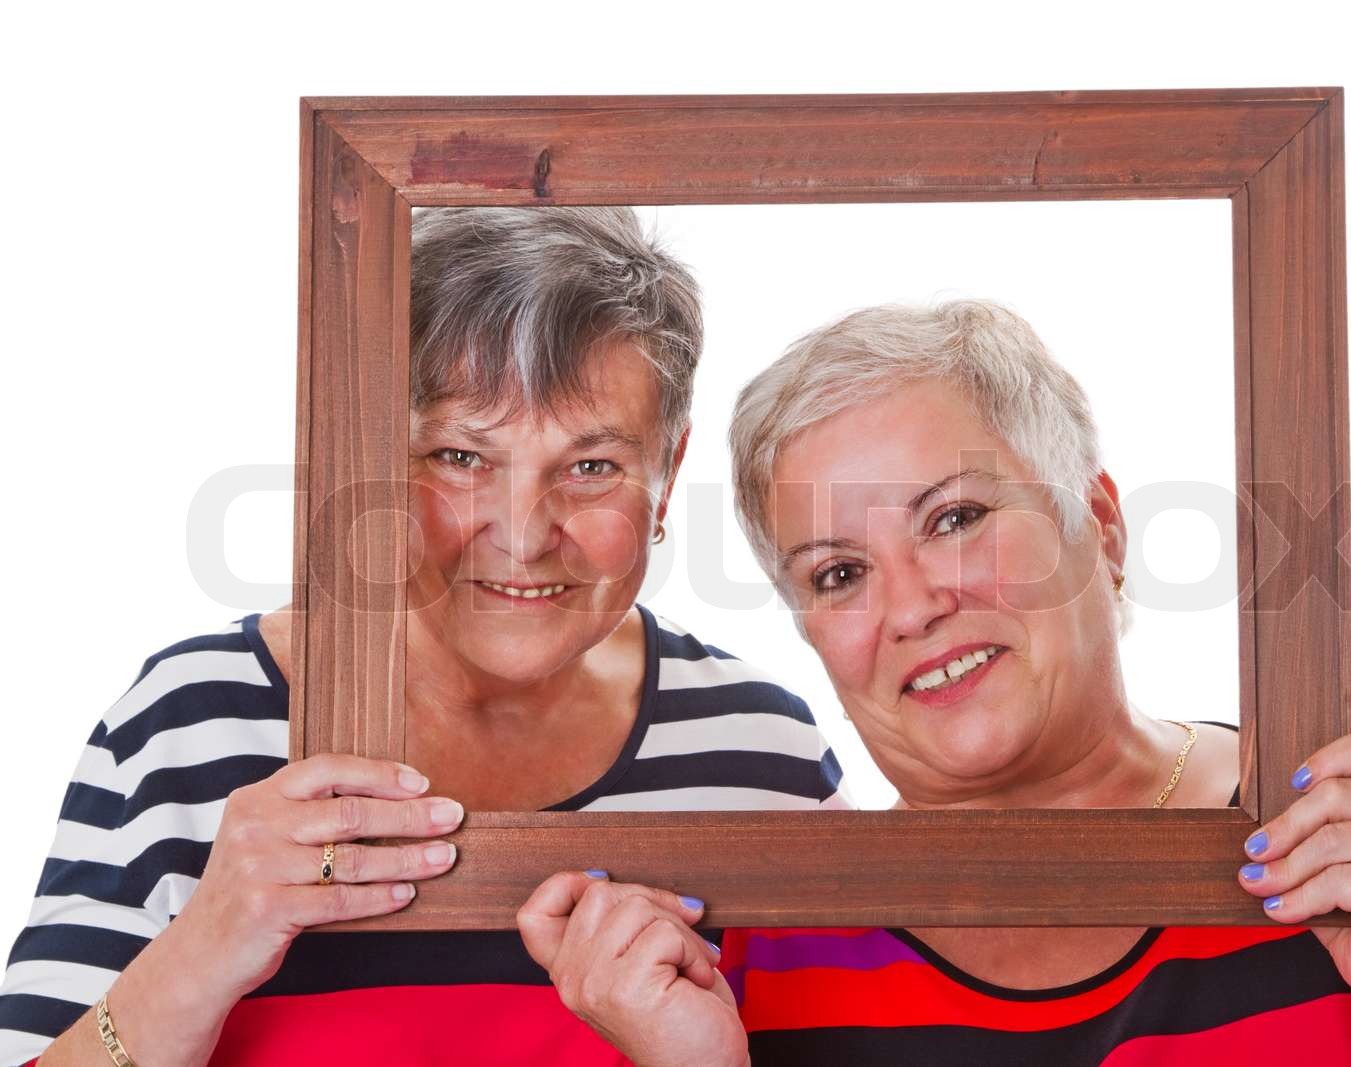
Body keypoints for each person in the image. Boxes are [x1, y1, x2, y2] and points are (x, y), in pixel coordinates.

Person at [519, 300, 1351, 1065]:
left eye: (955, 517)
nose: (910, 605)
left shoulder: (1349, 830)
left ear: (1105, 526)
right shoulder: (764, 952)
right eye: (839, 572)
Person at [0, 207, 846, 1067]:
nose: (525, 534)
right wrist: (200, 952)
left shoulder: (761, 753)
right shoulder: (190, 725)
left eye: (592, 466)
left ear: (665, 480)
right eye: (461, 456)